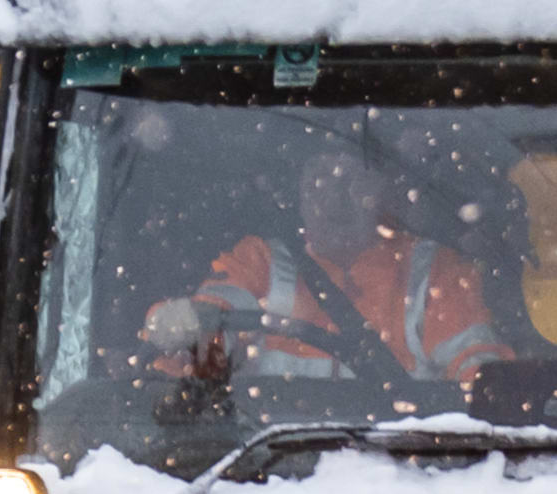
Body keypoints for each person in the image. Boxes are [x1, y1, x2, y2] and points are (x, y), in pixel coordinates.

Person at [140, 138, 508, 403]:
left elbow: (480, 375)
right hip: (269, 472)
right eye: (318, 178)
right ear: (298, 193)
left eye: (353, 180)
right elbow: (206, 335)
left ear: (384, 194)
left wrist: (491, 399)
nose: (333, 196)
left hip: (398, 474)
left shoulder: (434, 272)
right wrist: (181, 325)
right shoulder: (259, 263)